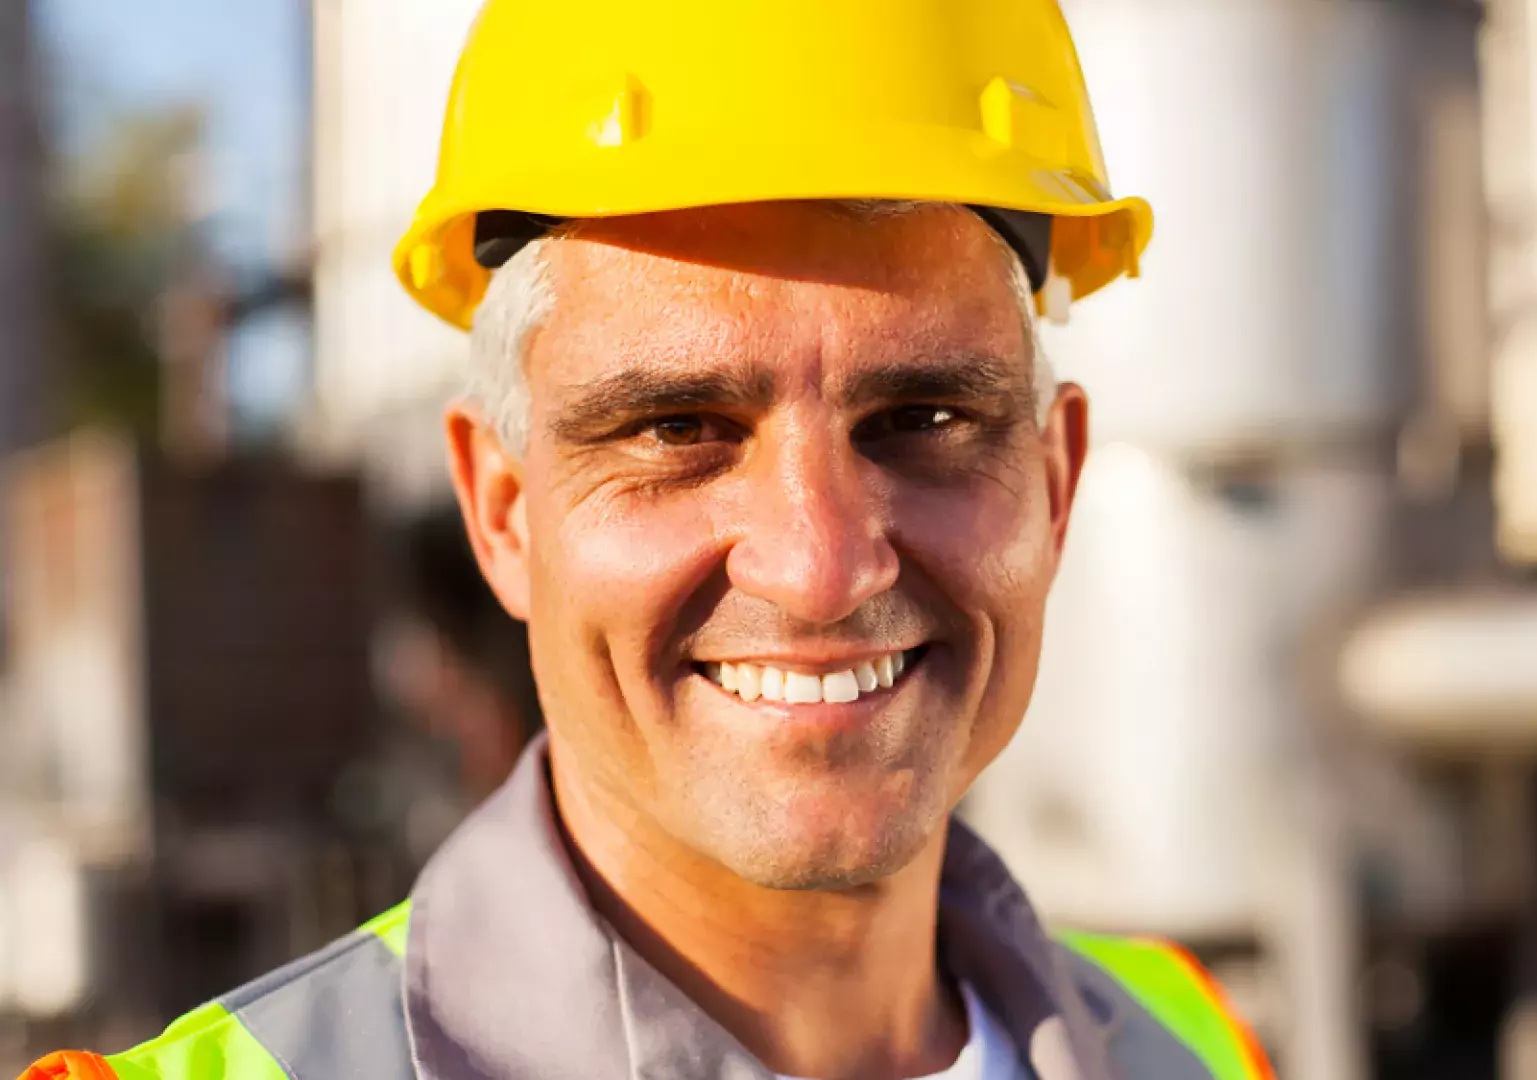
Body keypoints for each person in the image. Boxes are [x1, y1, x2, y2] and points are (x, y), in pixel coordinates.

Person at [22, 1, 1272, 1077]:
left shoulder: (1191, 1046)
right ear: (503, 511)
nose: (822, 564)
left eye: (925, 418)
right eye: (679, 428)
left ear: (1055, 484)